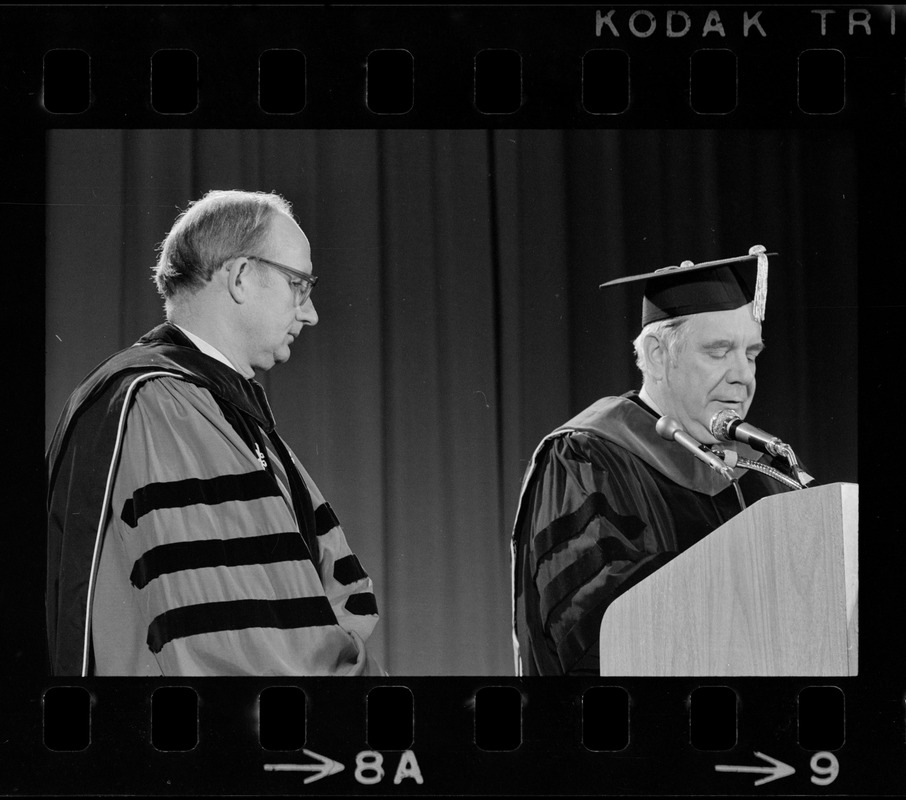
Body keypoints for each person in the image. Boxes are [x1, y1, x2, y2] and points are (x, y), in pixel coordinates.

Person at [46, 189, 383, 677]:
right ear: (242, 276)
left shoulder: (211, 404)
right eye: (299, 285)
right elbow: (248, 645)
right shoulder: (166, 405)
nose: (308, 313)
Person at [511, 246, 812, 676]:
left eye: (751, 354)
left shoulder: (767, 473)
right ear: (656, 355)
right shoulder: (587, 457)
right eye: (719, 351)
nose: (743, 375)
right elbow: (595, 631)